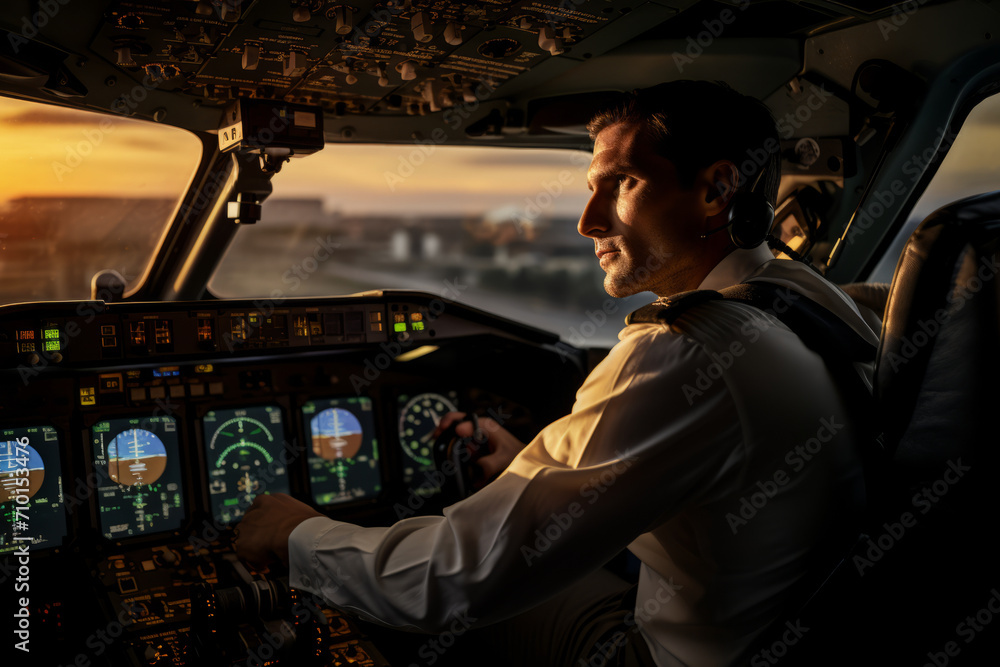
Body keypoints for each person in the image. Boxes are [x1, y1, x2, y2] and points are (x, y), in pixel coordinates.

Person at [235, 80, 880, 666]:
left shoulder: (686, 349)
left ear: (716, 190)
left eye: (622, 182)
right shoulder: (808, 297)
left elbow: (461, 578)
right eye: (591, 187)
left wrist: (299, 536)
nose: (587, 221)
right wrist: (533, 470)